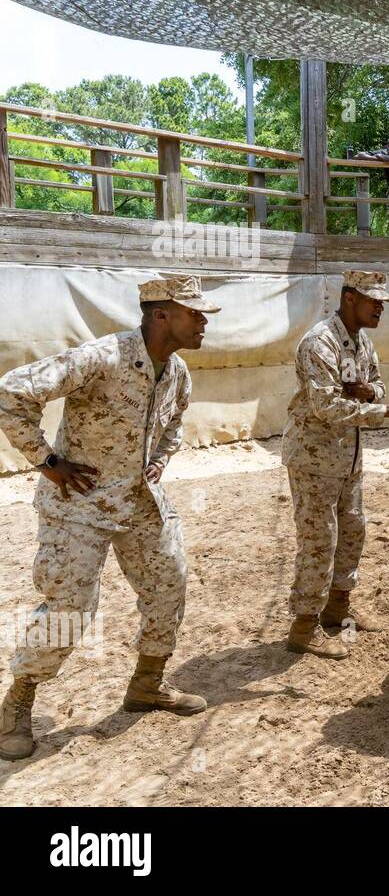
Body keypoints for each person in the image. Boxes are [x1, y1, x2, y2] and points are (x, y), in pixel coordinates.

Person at [0, 275, 220, 761]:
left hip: (140, 502)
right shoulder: (102, 357)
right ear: (161, 314)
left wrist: (161, 458)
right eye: (195, 313)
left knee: (169, 584)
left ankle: (147, 684)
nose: (205, 321)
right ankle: (17, 702)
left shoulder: (178, 371)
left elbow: (174, 422)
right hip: (79, 506)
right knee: (71, 609)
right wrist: (49, 462)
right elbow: (11, 392)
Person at [281, 270, 389, 660]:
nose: (380, 307)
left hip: (348, 458)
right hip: (314, 458)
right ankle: (303, 627)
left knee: (352, 532)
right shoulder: (320, 343)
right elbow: (326, 406)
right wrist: (384, 410)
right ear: (349, 298)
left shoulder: (362, 343)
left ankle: (337, 608)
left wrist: (367, 392)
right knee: (318, 541)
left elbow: (378, 384)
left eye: (382, 301)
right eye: (372, 300)